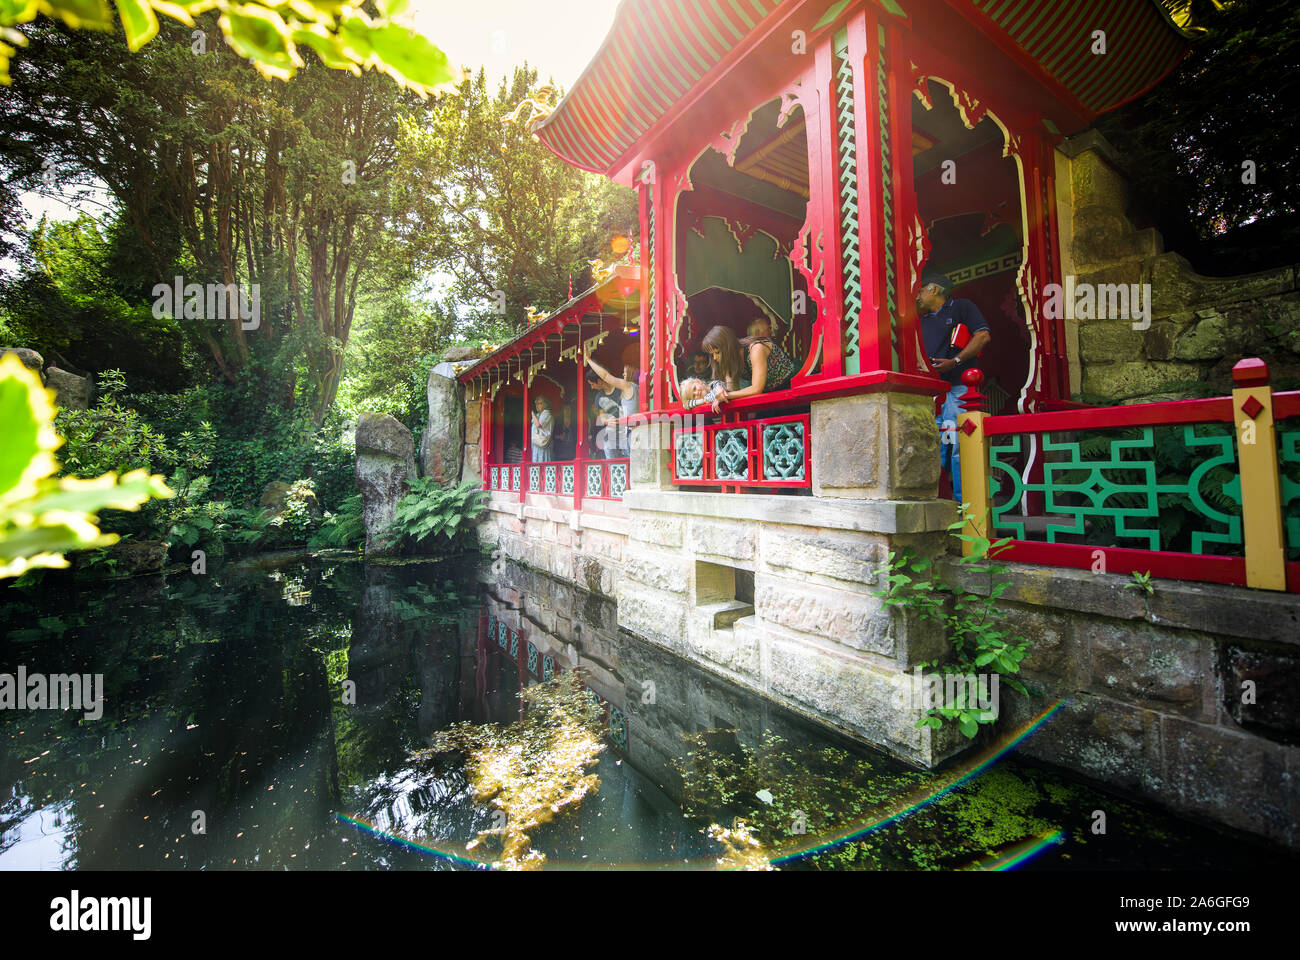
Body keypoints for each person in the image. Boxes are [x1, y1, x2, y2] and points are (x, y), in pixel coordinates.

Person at [917, 271, 992, 504]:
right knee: (932, 448)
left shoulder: (961, 307)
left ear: (935, 289)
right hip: (932, 393)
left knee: (961, 446)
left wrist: (955, 361)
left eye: (920, 290)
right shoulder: (922, 321)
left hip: (959, 388)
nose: (917, 295)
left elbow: (982, 336)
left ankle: (966, 505)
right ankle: (935, 503)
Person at [701, 321, 797, 404]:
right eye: (712, 354)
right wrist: (718, 389)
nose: (714, 357)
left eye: (717, 352)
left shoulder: (755, 349)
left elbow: (756, 389)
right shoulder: (730, 361)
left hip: (792, 387)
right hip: (771, 394)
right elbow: (730, 388)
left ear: (727, 348)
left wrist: (726, 395)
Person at [585, 352, 638, 457]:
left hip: (629, 431)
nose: (622, 375)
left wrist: (588, 360)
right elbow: (602, 416)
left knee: (629, 458)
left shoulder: (625, 387)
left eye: (625, 372)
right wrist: (607, 420)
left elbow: (605, 376)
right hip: (619, 431)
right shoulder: (634, 387)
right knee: (610, 449)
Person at [530, 395, 554, 463]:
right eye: (536, 403)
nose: (537, 405)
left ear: (545, 404)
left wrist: (532, 413)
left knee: (543, 460)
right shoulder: (538, 415)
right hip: (536, 443)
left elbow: (538, 425)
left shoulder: (547, 414)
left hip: (542, 443)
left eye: (539, 403)